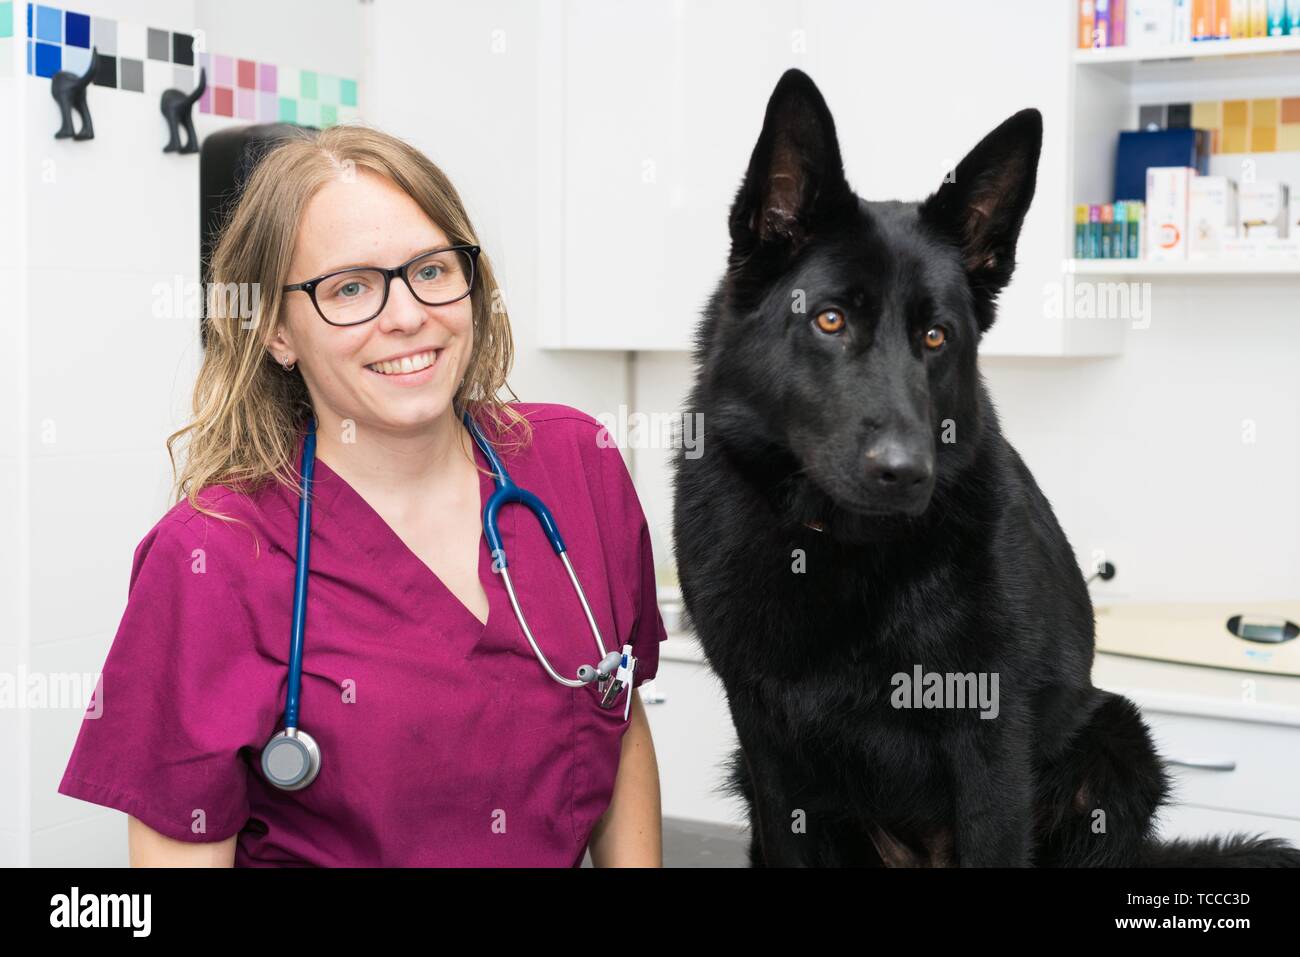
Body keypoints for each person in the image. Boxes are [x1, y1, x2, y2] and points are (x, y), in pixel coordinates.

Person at [57, 124, 668, 867]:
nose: (407, 315)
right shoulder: (210, 555)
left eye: (432, 270)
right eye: (350, 287)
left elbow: (619, 712)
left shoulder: (577, 462)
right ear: (277, 332)